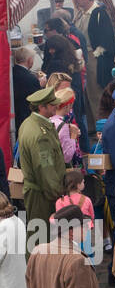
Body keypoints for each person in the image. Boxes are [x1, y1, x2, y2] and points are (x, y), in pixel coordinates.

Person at [18, 87, 66, 230]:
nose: (56, 106)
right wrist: (58, 195)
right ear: (41, 107)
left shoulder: (30, 123)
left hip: (40, 192)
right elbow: (45, 169)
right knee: (41, 238)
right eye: (52, 104)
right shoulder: (41, 135)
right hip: (44, 195)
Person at [70, 0, 115, 108]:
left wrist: (95, 56)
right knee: (87, 96)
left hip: (93, 58)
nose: (76, 0)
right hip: (82, 57)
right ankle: (92, 127)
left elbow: (106, 41)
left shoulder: (99, 13)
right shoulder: (80, 13)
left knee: (97, 95)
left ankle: (101, 126)